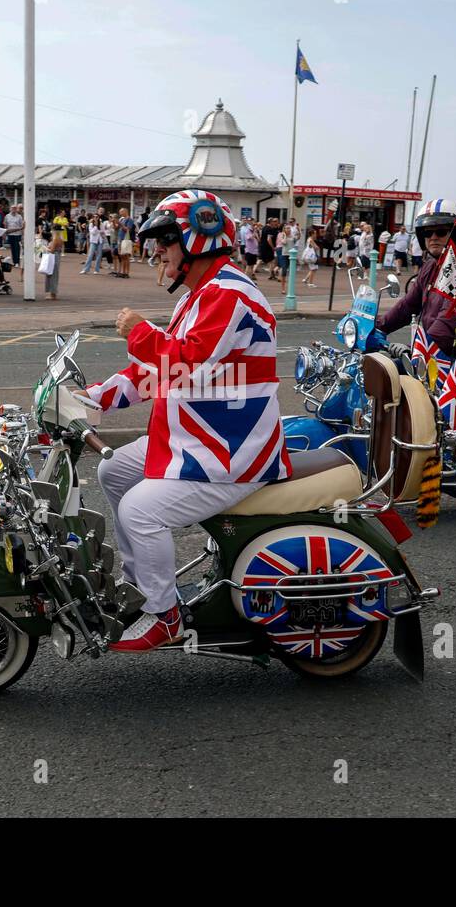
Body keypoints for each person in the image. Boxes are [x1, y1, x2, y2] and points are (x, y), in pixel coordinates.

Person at [85, 189, 291, 652]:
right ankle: (140, 584)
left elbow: (186, 363)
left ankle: (166, 615)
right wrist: (92, 399)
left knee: (141, 510)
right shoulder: (199, 296)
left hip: (229, 452)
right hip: (196, 440)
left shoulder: (229, 295)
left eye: (164, 239)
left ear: (196, 239)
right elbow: (158, 372)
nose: (155, 250)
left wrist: (139, 332)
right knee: (113, 469)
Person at [376, 198, 456, 379]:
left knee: (388, 376)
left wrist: (417, 349)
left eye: (441, 231)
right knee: (379, 374)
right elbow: (408, 306)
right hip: (438, 354)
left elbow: (447, 321)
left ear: (455, 233)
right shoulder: (430, 266)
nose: (433, 237)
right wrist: (376, 327)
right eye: (427, 232)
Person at [4, 204, 25, 268]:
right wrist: (5, 233)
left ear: (16, 209)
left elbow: (22, 226)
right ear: (10, 209)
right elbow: (5, 225)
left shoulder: (19, 216)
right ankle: (14, 261)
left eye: (15, 208)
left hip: (17, 234)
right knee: (12, 248)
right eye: (12, 208)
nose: (13, 209)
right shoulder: (7, 216)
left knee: (17, 248)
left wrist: (22, 235)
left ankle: (17, 262)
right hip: (10, 234)